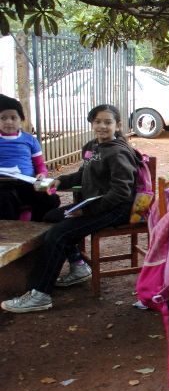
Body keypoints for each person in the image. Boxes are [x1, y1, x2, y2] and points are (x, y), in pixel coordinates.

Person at [1, 104, 141, 313]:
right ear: (92, 124)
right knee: (50, 218)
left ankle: (40, 294)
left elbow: (121, 193)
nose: (102, 126)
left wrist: (85, 211)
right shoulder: (92, 147)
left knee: (58, 235)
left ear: (118, 125)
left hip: (115, 209)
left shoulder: (118, 153)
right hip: (93, 205)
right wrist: (58, 181)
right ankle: (79, 267)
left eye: (108, 122)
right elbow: (82, 176)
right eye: (97, 122)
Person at [0, 94, 60, 221]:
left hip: (27, 182)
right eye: (3, 118)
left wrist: (42, 175)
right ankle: (13, 232)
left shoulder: (30, 140)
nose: (8, 122)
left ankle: (35, 226)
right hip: (2, 185)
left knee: (50, 199)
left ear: (21, 119)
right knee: (4, 200)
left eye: (13, 117)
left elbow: (40, 165)